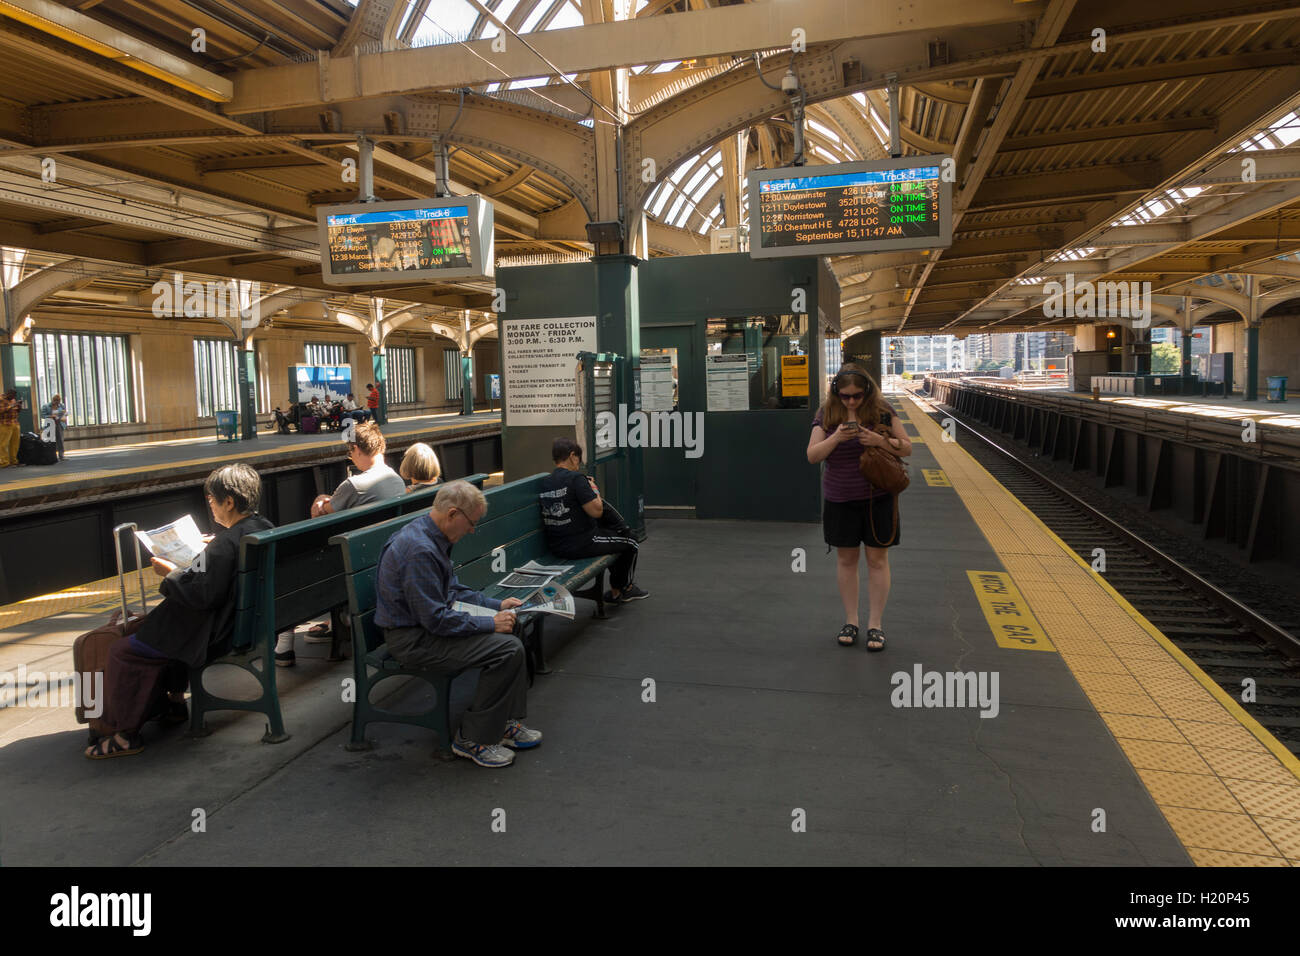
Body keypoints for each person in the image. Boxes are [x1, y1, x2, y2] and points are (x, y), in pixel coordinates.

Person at [86, 464, 274, 758]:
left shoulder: (225, 544)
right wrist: (208, 553)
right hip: (247, 622)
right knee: (151, 633)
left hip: (217, 633)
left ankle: (124, 736)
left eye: (212, 499)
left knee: (123, 651)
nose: (209, 504)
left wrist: (171, 573)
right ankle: (173, 703)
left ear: (229, 502)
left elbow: (203, 595)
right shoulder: (263, 528)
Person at [374, 480, 538, 768]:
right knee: (507, 649)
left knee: (513, 625)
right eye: (471, 523)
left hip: (425, 629)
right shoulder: (420, 551)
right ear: (452, 515)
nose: (472, 530)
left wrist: (497, 607)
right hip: (413, 641)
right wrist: (489, 625)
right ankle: (473, 738)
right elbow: (435, 620)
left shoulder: (432, 536)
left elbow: (452, 591)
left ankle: (501, 722)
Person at [806, 364, 912, 651]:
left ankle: (875, 624)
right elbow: (813, 456)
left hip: (878, 497)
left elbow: (906, 447)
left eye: (857, 396)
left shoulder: (882, 410)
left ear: (867, 391)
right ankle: (851, 620)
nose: (851, 401)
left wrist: (880, 440)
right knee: (846, 561)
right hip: (840, 498)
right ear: (835, 393)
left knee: (877, 561)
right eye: (845, 396)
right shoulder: (826, 414)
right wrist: (836, 437)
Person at [282, 422, 404, 663]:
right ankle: (337, 623)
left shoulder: (354, 485)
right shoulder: (396, 479)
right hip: (382, 556)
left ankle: (284, 644)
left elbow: (321, 513)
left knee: (289, 573)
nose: (351, 457)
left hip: (352, 565)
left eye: (350, 452)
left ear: (358, 449)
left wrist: (319, 499)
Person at [539, 437, 648, 605]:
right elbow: (597, 511)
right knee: (630, 540)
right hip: (582, 543)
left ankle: (617, 590)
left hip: (557, 546)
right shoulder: (576, 479)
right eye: (579, 459)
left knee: (614, 538)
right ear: (572, 456)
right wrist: (593, 488)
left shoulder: (546, 482)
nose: (579, 464)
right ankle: (622, 589)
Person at [40, 393, 67, 461]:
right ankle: (52, 456)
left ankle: (61, 455)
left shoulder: (61, 405)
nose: (57, 403)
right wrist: (51, 416)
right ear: (53, 400)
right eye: (55, 401)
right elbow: (43, 416)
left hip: (59, 424)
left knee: (60, 440)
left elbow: (65, 414)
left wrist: (63, 414)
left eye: (58, 401)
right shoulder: (46, 406)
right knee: (51, 441)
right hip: (50, 424)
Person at [0, 390, 21, 467]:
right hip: (5, 423)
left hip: (15, 423)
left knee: (15, 444)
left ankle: (13, 461)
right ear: (8, 394)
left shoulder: (13, 400)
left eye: (14, 397)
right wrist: (12, 406)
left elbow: (16, 411)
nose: (13, 398)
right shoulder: (1, 399)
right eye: (12, 396)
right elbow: (1, 410)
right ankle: (4, 462)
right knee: (3, 444)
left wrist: (19, 407)